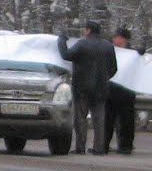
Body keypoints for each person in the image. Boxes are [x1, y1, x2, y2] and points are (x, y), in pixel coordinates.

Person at [58, 21, 119, 155]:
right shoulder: (108, 46)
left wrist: (61, 41)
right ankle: (99, 148)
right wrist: (104, 78)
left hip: (81, 87)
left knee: (80, 118)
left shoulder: (82, 44)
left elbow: (66, 55)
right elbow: (114, 68)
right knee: (99, 119)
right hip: (101, 88)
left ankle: (80, 147)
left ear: (89, 30)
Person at [104, 28, 138, 155]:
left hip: (127, 91)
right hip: (110, 90)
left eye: (119, 37)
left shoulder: (133, 53)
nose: (116, 39)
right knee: (107, 120)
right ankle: (104, 145)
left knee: (127, 121)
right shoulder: (108, 50)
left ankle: (125, 146)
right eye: (115, 37)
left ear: (125, 39)